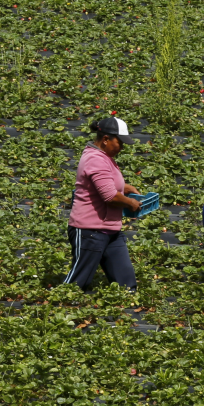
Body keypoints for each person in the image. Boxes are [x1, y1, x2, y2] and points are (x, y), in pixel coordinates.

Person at [62, 116, 142, 292]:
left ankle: (127, 307)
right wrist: (130, 203)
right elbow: (110, 197)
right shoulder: (95, 159)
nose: (121, 147)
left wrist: (124, 187)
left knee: (126, 284)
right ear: (106, 139)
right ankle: (59, 305)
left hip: (111, 229)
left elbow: (105, 182)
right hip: (90, 230)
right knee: (77, 283)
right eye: (119, 143)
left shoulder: (104, 156)